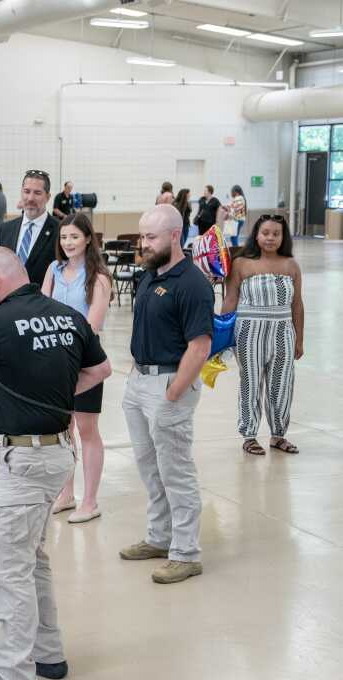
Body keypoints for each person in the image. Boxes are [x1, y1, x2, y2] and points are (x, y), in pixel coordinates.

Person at [0, 247, 112, 680]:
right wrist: (59, 399)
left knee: (8, 570)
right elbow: (101, 370)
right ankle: (49, 653)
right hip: (59, 454)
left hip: (23, 459)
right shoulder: (67, 316)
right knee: (33, 556)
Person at [120, 204, 214, 585]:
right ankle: (160, 538)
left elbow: (200, 346)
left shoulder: (191, 283)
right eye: (143, 236)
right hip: (139, 382)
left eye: (151, 237)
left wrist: (174, 390)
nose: (144, 244)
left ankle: (187, 553)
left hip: (168, 385)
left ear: (175, 235)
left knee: (176, 471)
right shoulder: (148, 276)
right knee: (149, 467)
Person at [0, 170, 60, 472]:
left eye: (37, 192)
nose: (30, 197)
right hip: (5, 322)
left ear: (47, 196)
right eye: (26, 191)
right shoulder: (7, 229)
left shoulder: (59, 231)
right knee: (0, 382)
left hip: (37, 322)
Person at [41, 214, 112, 524]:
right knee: (62, 430)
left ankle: (91, 500)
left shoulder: (98, 277)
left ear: (86, 239)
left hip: (84, 361)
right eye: (64, 237)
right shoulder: (54, 270)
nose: (68, 243)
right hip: (54, 363)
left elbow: (91, 324)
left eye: (74, 237)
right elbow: (41, 310)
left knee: (86, 429)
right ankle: (66, 493)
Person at [222, 214, 304, 456]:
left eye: (276, 234)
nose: (270, 238)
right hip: (249, 333)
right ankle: (249, 435)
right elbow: (230, 299)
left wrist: (299, 338)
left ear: (282, 237)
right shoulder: (241, 264)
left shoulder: (291, 265)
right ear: (256, 235)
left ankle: (278, 435)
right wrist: (223, 337)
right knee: (251, 382)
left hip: (283, 331)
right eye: (265, 233)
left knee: (282, 383)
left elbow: (297, 305)